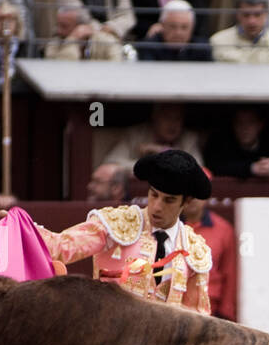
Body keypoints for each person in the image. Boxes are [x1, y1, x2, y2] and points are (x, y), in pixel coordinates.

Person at [36, 149, 215, 314]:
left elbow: (197, 319)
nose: (157, 207)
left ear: (186, 201)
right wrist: (22, 227)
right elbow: (60, 247)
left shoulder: (194, 250)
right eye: (154, 195)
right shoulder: (116, 224)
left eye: (169, 200)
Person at [182, 168, 236, 320]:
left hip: (210, 311)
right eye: (188, 191)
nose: (193, 198)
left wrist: (226, 314)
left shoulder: (224, 229)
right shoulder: (168, 226)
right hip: (174, 306)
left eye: (198, 192)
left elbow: (229, 273)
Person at [203, 107, 269, 178]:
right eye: (240, 123)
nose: (245, 128)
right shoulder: (223, 144)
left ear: (260, 125)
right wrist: (251, 168)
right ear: (233, 126)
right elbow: (213, 167)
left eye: (250, 123)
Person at [104, 103, 204, 167]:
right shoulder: (135, 135)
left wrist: (162, 151)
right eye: (167, 117)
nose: (172, 124)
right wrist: (148, 165)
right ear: (155, 117)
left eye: (177, 118)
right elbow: (111, 164)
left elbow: (199, 171)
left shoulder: (189, 139)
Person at [136, 0, 212, 60]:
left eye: (184, 27)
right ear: (162, 25)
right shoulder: (149, 47)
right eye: (173, 26)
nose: (178, 32)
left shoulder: (202, 48)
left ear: (192, 27)